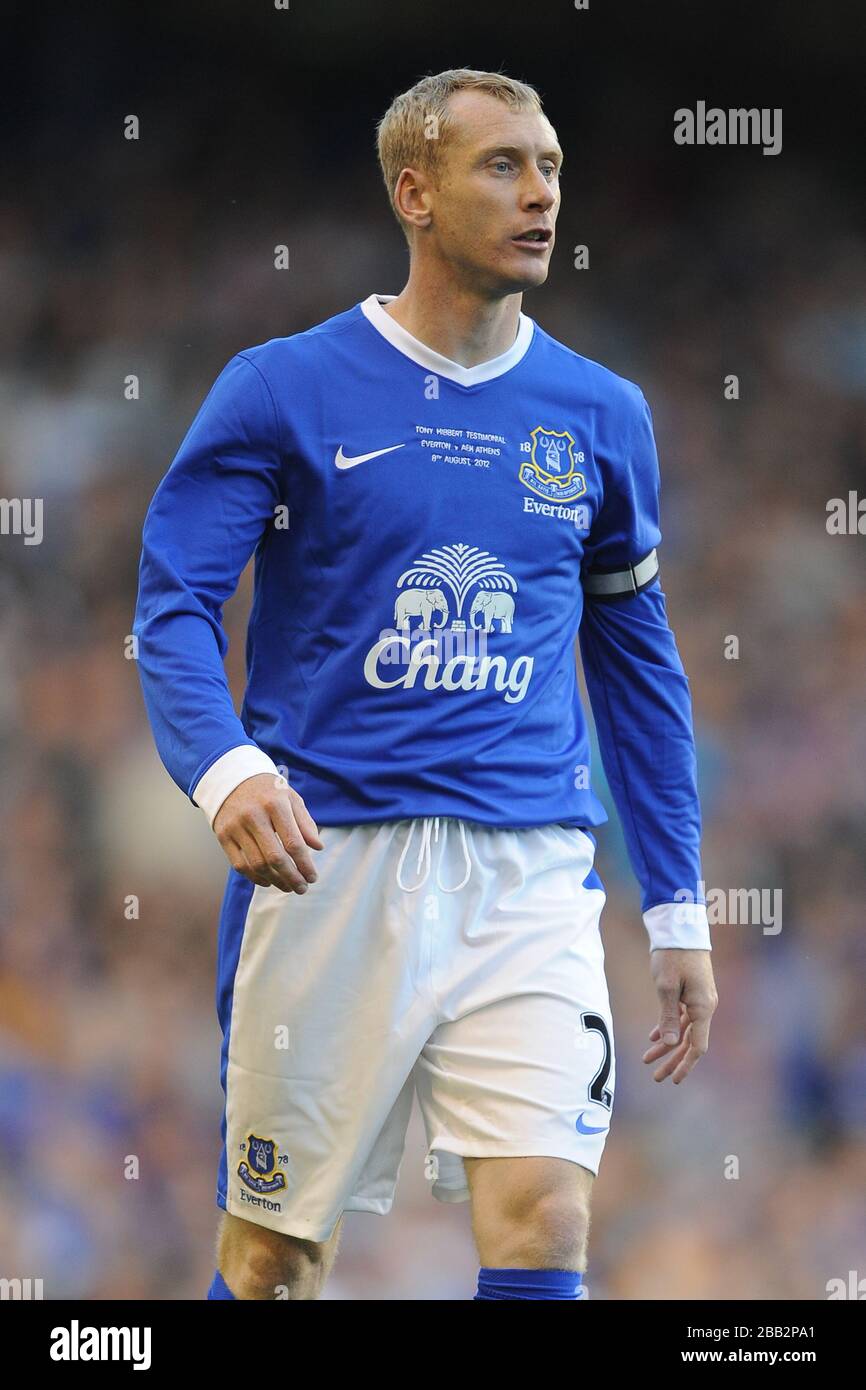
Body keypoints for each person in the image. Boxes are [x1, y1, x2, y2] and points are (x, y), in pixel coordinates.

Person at [133, 67, 717, 1302]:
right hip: (326, 865)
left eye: (550, 166)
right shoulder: (283, 387)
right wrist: (225, 764)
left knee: (546, 1214)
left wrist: (673, 904)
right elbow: (174, 605)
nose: (540, 193)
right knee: (276, 1260)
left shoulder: (600, 416)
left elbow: (640, 670)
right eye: (501, 165)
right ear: (414, 191)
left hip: (530, 874)